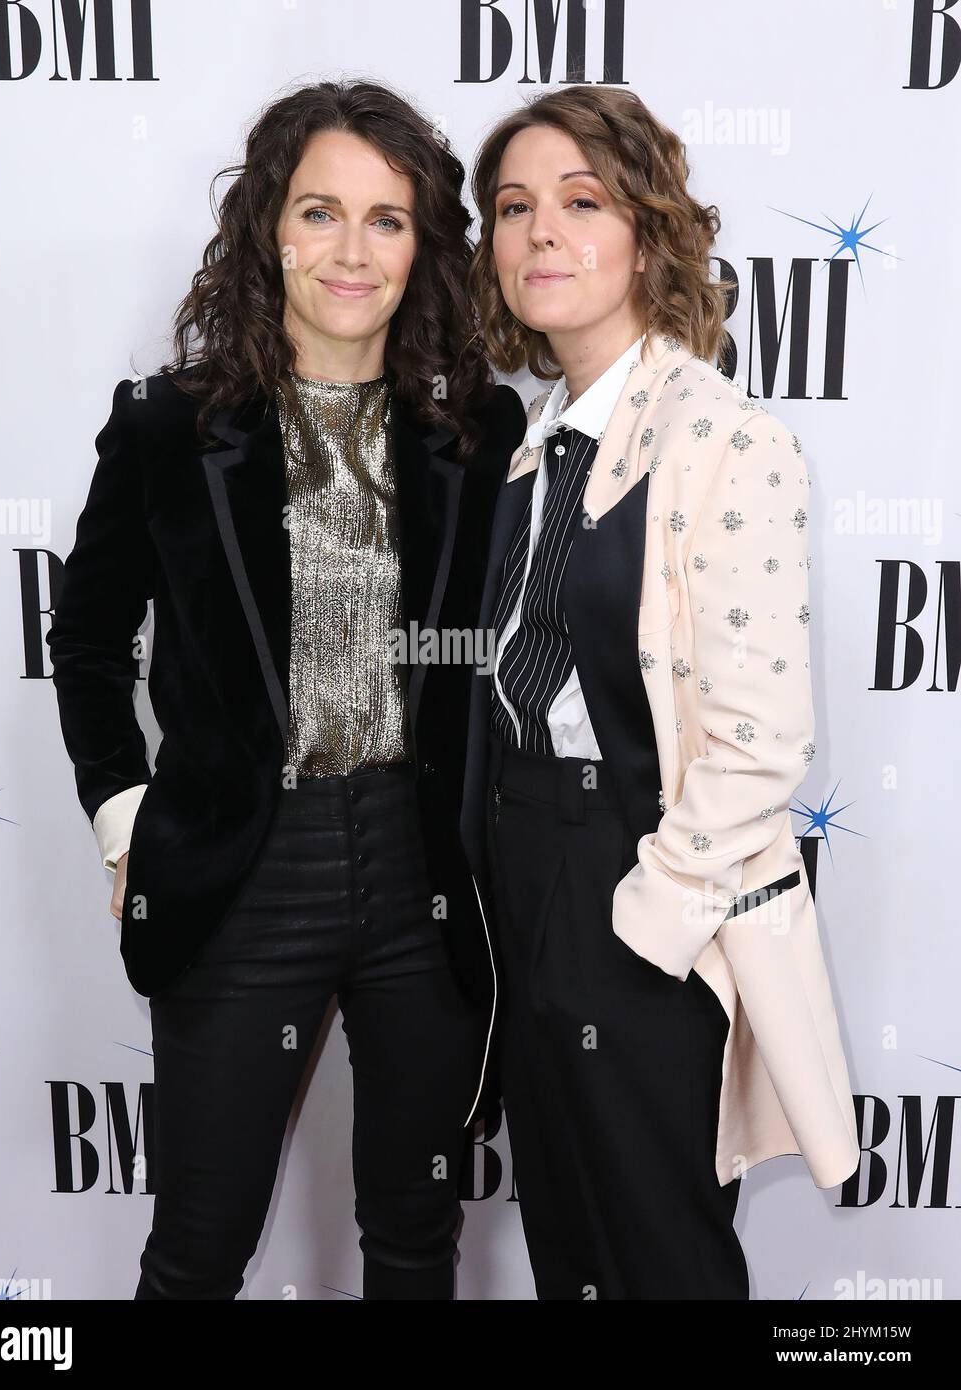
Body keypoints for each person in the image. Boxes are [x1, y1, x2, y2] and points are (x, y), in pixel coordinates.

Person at [46, 79, 525, 1301]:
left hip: (423, 870)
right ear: (270, 227)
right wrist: (123, 816)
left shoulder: (471, 427)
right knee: (199, 1246)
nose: (351, 251)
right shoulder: (169, 425)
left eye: (387, 218)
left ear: (423, 245)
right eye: (320, 212)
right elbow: (90, 641)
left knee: (417, 1235)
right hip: (244, 868)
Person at [460, 85, 860, 1300]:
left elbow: (757, 740)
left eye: (581, 202)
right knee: (570, 1250)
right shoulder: (535, 439)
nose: (539, 232)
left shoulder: (722, 437)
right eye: (513, 207)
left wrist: (640, 924)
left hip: (636, 886)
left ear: (647, 231)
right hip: (520, 875)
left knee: (658, 1252)